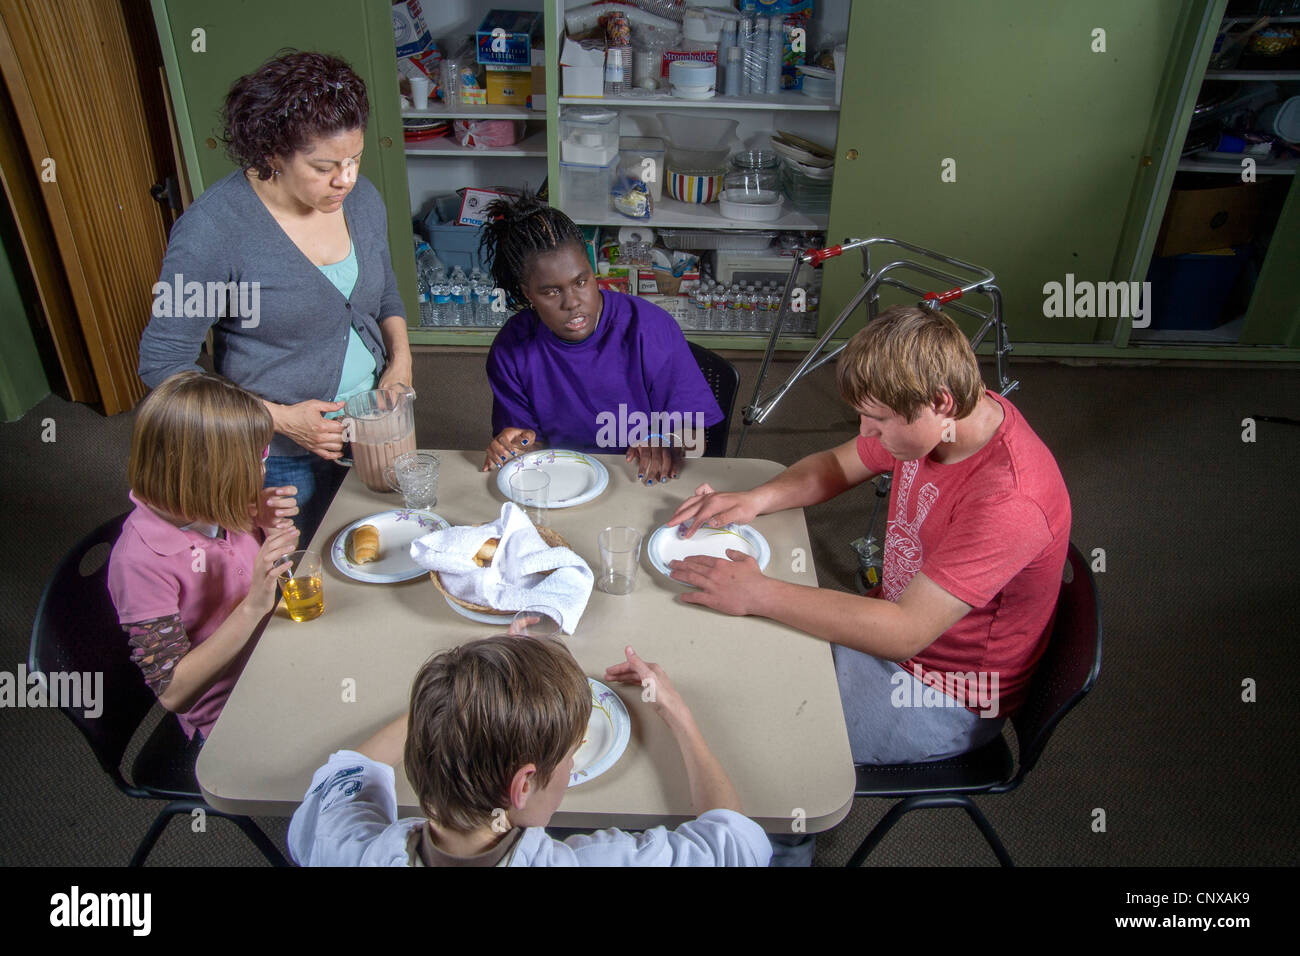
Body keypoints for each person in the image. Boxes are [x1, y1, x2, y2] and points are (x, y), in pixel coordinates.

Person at [668, 305, 1071, 767]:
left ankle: (788, 833)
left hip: (938, 691)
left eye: (877, 421)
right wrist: (755, 499)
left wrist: (759, 594)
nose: (867, 433)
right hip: (890, 621)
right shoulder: (946, 413)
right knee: (733, 651)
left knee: (747, 738)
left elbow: (904, 634)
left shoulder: (1010, 502)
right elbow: (838, 465)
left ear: (940, 403)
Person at [137, 51, 412, 543]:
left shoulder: (362, 200)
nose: (345, 179)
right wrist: (284, 420)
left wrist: (401, 362)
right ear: (272, 155)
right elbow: (163, 365)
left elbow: (384, 291)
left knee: (382, 546)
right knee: (298, 574)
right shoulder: (213, 232)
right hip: (278, 452)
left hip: (370, 425)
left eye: (354, 159)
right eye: (325, 166)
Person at [288, 638, 771, 866]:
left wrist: (469, 694)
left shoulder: (341, 849)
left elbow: (349, 771)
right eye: (569, 753)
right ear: (521, 785)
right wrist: (678, 715)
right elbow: (736, 844)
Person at [107, 372, 301, 745]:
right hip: (234, 710)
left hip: (277, 655)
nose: (263, 469)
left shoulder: (218, 508)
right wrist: (254, 605)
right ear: (209, 474)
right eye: (256, 458)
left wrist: (266, 529)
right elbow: (174, 693)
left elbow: (254, 571)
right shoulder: (139, 563)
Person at [478, 191, 723, 485]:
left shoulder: (649, 328)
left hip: (641, 477)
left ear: (593, 272)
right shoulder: (512, 348)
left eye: (581, 282)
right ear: (528, 294)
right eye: (551, 291)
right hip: (563, 481)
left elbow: (695, 439)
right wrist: (515, 447)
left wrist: (665, 439)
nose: (572, 303)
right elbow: (529, 446)